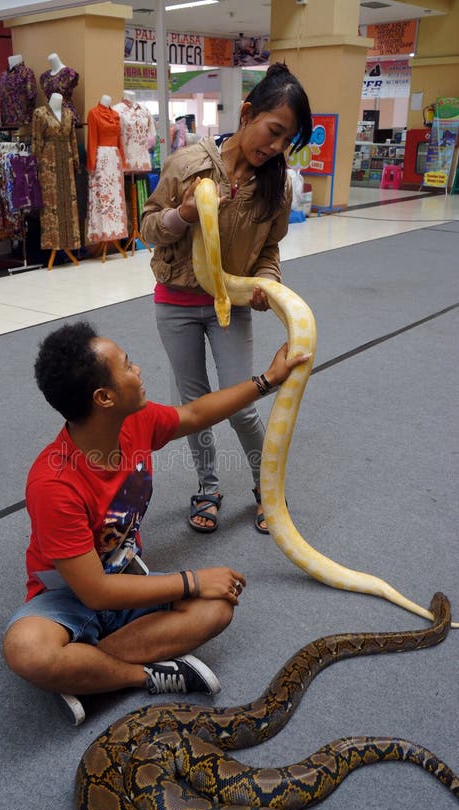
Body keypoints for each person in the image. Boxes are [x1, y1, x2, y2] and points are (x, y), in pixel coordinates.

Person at [3, 321, 309, 724]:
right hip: (69, 596)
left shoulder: (135, 423)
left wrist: (267, 380)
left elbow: (196, 413)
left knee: (218, 607)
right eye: (128, 366)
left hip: (127, 580)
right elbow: (93, 591)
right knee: (26, 650)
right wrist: (193, 580)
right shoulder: (53, 483)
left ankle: (82, 671)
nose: (139, 370)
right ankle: (141, 676)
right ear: (104, 397)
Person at [140, 62, 312, 535]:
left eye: (285, 141)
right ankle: (208, 486)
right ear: (247, 112)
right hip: (174, 303)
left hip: (232, 304)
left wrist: (266, 281)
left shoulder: (278, 185)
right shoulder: (185, 165)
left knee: (242, 403)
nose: (275, 148)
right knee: (193, 408)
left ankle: (266, 489)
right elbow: (148, 227)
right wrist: (183, 213)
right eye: (273, 132)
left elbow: (271, 246)